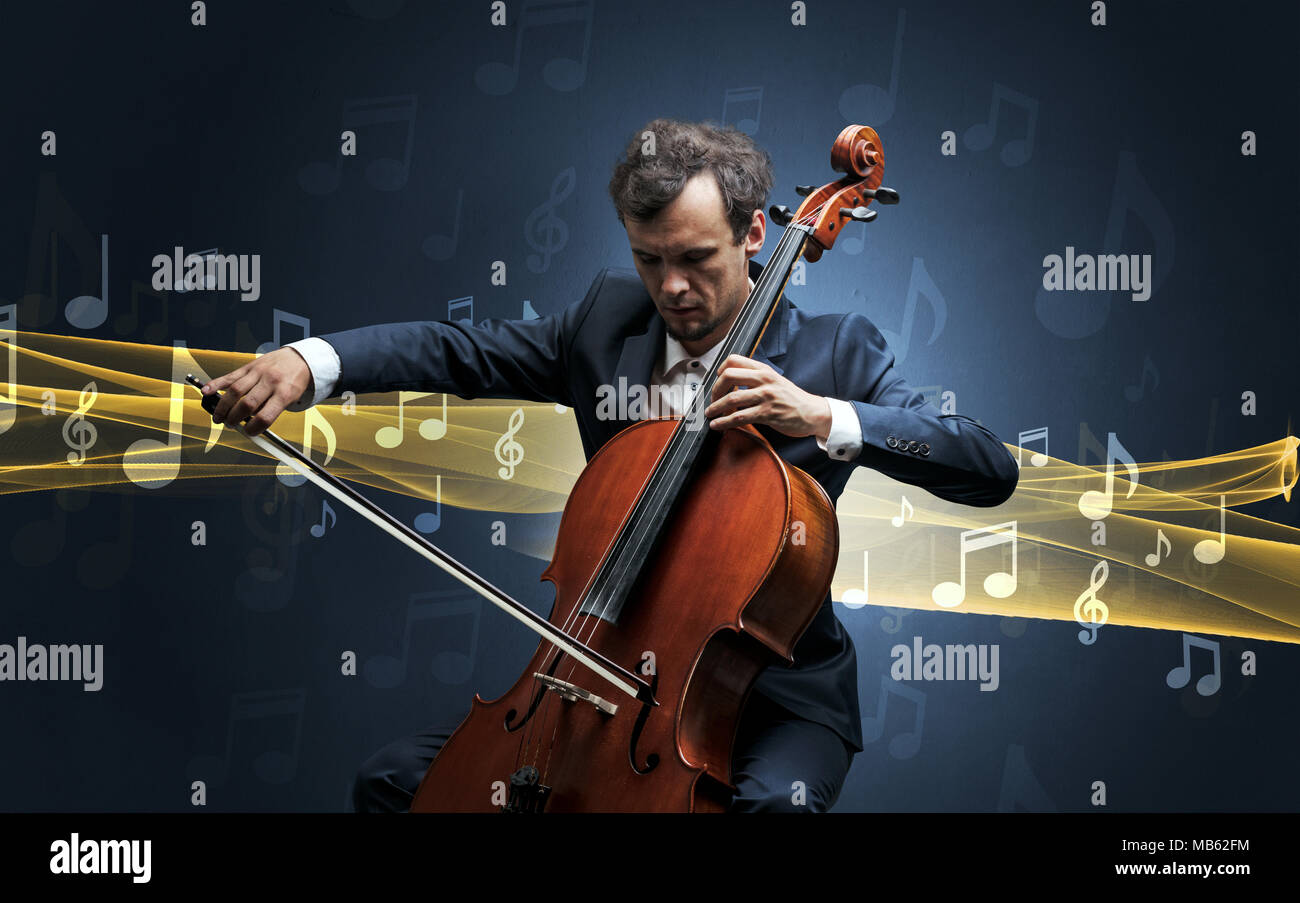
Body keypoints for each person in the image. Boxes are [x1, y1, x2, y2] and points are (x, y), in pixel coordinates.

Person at [202, 118, 1019, 812]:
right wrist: (310, 364)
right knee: (396, 783)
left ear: (755, 234)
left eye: (697, 257)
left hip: (772, 693)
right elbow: (458, 352)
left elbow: (987, 465)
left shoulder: (836, 350)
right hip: (597, 668)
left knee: (771, 807)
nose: (673, 287)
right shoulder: (603, 322)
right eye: (648, 258)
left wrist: (823, 416)